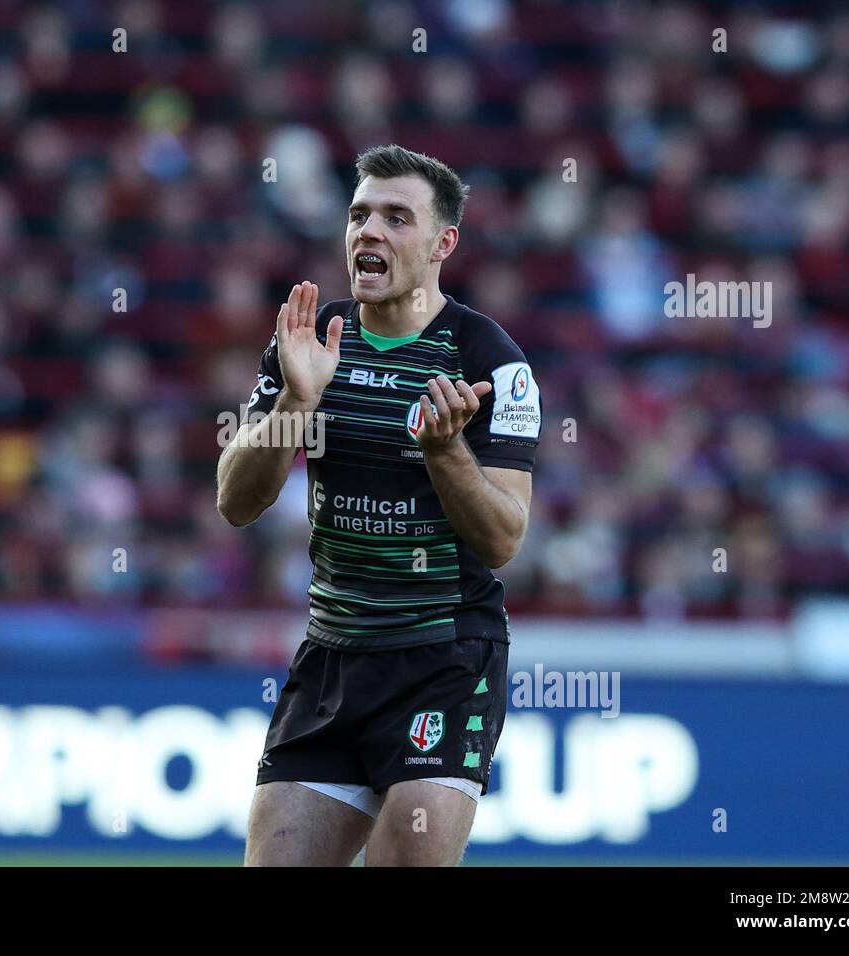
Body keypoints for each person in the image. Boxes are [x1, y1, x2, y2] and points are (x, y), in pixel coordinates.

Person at [217, 145, 543, 865]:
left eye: (398, 218)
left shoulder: (490, 363)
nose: (370, 232)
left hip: (444, 658)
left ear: (441, 243)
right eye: (360, 215)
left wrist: (444, 452)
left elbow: (503, 540)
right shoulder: (309, 342)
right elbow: (237, 501)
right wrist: (298, 404)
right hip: (333, 656)